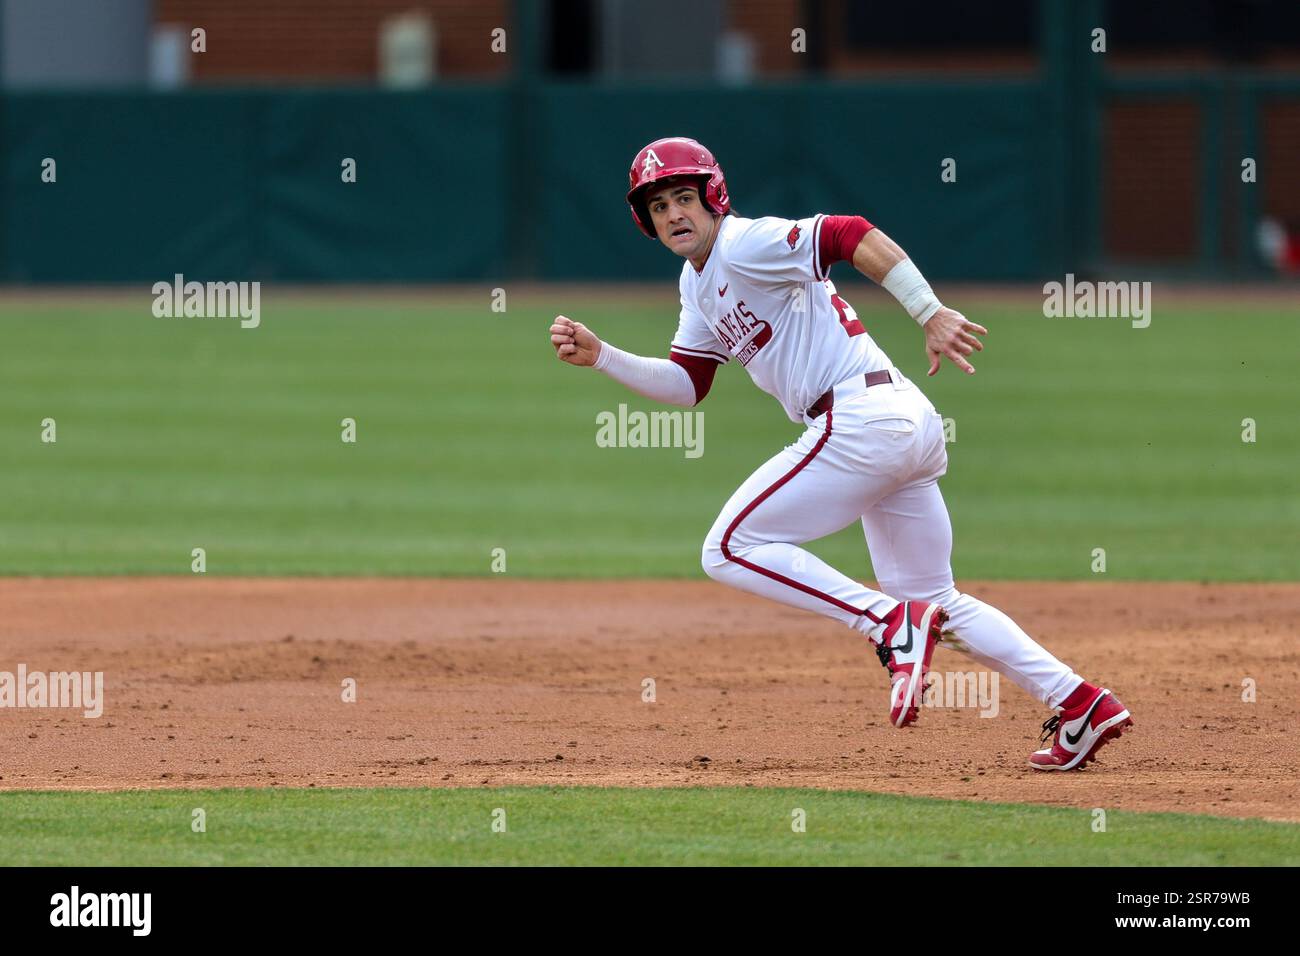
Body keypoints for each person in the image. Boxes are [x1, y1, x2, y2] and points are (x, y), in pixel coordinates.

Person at [549, 137, 1132, 770]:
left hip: (858, 420)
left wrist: (928, 311)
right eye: (659, 207)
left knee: (726, 549)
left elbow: (851, 233)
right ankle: (1080, 702)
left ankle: (886, 623)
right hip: (898, 422)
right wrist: (604, 356)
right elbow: (689, 384)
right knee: (938, 601)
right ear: (646, 221)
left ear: (713, 197)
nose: (674, 215)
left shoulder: (746, 243)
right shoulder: (697, 285)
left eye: (684, 197)